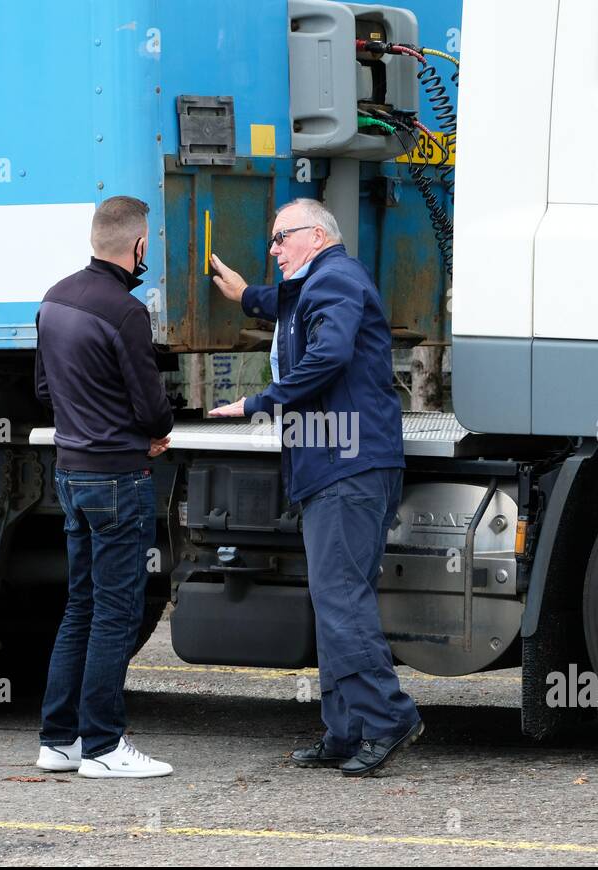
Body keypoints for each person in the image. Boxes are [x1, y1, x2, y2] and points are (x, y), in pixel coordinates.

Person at [209, 198, 423, 777]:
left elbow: (329, 353)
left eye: (281, 239)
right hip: (333, 463)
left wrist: (260, 403)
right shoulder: (323, 281)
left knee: (340, 598)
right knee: (334, 599)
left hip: (345, 465)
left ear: (318, 236)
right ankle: (345, 731)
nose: (273, 250)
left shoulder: (337, 279)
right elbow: (290, 303)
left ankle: (387, 719)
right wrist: (247, 294)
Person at [32, 195, 174, 779]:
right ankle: (104, 748)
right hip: (118, 475)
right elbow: (152, 408)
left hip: (69, 471)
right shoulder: (125, 312)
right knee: (117, 610)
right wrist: (152, 434)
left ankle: (59, 740)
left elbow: (44, 390)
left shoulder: (54, 299)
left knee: (81, 606)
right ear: (138, 246)